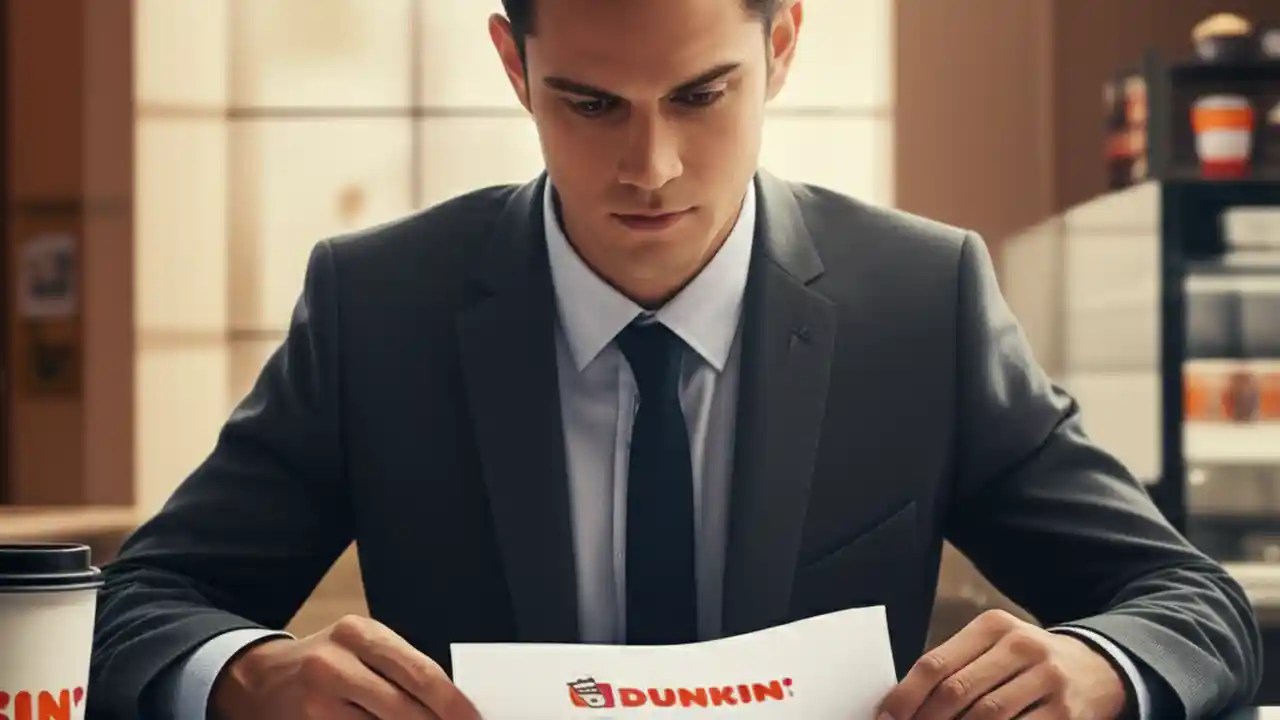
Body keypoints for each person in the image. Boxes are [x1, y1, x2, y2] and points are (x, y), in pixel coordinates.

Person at [89, 1, 1262, 718]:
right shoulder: (377, 306)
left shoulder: (920, 299)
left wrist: (1097, 668)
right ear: (513, 65)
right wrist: (242, 678)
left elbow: (1191, 606)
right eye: (589, 104)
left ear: (783, 42)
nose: (649, 166)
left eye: (701, 94)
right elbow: (141, 604)